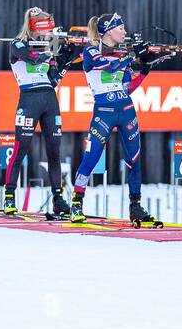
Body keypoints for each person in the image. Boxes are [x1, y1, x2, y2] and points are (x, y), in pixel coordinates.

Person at [69, 12, 164, 226]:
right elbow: (108, 65)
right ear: (108, 30)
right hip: (103, 111)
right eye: (120, 28)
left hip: (126, 108)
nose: (124, 32)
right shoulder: (91, 51)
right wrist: (131, 57)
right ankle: (77, 202)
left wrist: (146, 68)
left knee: (134, 158)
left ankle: (135, 206)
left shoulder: (121, 54)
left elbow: (128, 87)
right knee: (91, 157)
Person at [1, 7, 75, 219]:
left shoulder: (49, 43)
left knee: (54, 151)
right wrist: (52, 48)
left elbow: (53, 78)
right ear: (33, 28)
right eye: (43, 31)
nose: (46, 35)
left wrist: (66, 59)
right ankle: (9, 196)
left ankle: (58, 199)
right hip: (29, 99)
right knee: (20, 149)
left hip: (49, 99)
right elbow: (33, 58)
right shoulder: (17, 44)